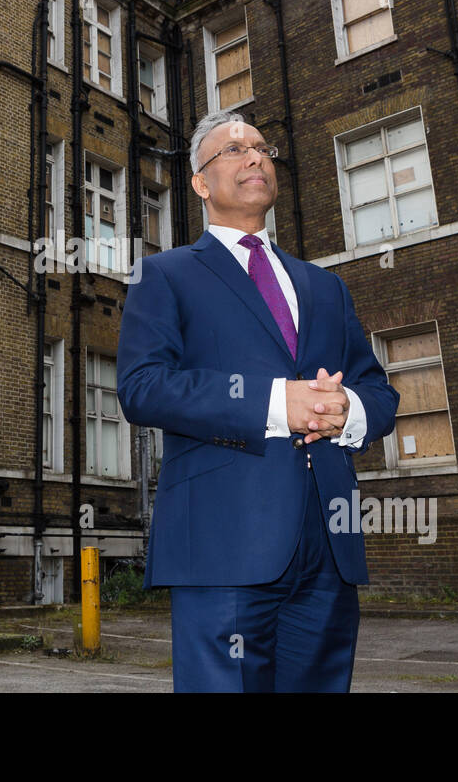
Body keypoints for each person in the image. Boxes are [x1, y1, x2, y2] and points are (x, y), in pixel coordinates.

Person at [116, 109, 399, 692]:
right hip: (222, 543)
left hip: (327, 543)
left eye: (264, 149)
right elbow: (143, 387)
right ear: (199, 182)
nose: (256, 158)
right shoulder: (163, 275)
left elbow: (378, 389)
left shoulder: (325, 285)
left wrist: (349, 411)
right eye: (236, 150)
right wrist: (276, 403)